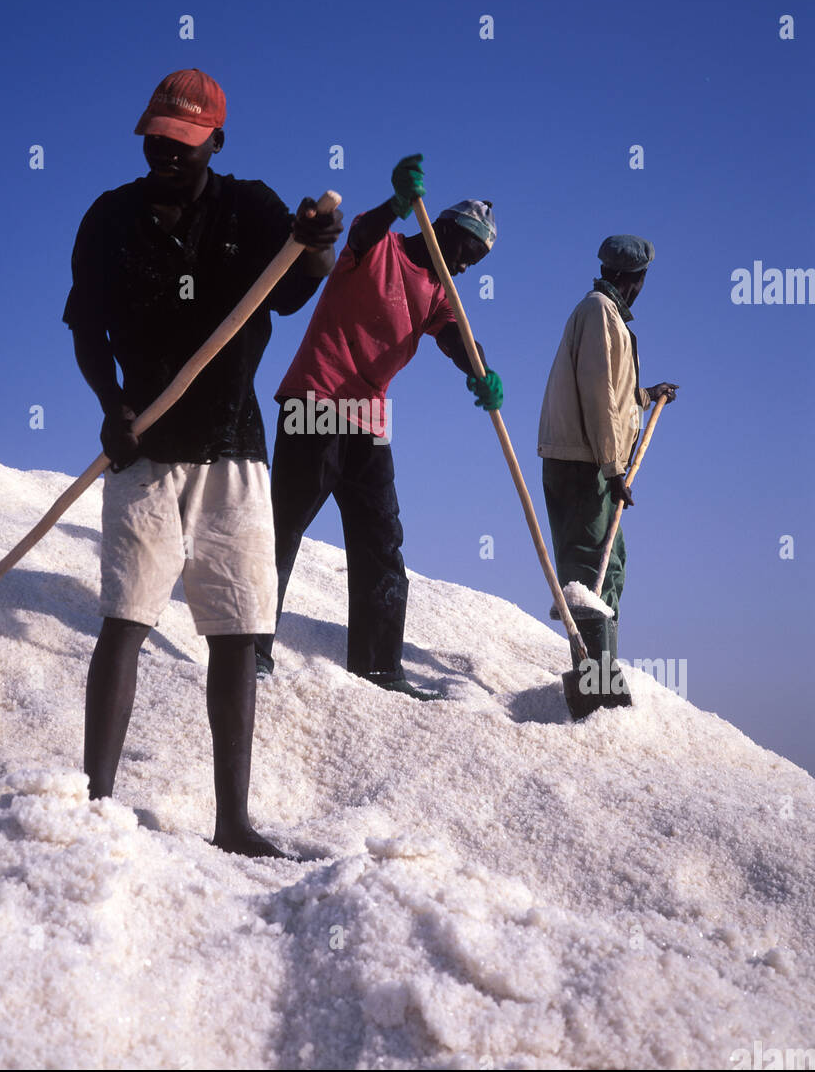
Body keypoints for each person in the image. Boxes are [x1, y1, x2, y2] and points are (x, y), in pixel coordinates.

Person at [62, 68, 342, 857]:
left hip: (231, 449)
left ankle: (233, 821)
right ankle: (94, 803)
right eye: (157, 138)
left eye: (184, 143)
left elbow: (300, 277)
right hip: (144, 449)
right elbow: (85, 328)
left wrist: (315, 244)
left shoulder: (248, 208)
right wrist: (111, 404)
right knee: (126, 618)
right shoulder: (110, 218)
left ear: (214, 142)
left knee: (236, 630)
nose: (167, 154)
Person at [255, 154, 501, 699]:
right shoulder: (378, 248)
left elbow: (459, 338)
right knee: (284, 524)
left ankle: (378, 667)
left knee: (381, 542)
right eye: (463, 252)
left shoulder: (441, 294)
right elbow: (365, 228)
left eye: (475, 263)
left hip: (368, 418)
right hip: (314, 399)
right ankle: (250, 650)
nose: (463, 267)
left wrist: (481, 371)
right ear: (439, 229)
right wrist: (395, 203)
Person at [537, 235, 679, 709]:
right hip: (584, 465)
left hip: (594, 462)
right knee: (589, 568)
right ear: (632, 278)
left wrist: (645, 394)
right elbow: (598, 399)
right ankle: (593, 684)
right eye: (642, 280)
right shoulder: (599, 311)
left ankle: (602, 671)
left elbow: (614, 395)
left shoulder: (609, 316)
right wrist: (613, 469)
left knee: (610, 565)